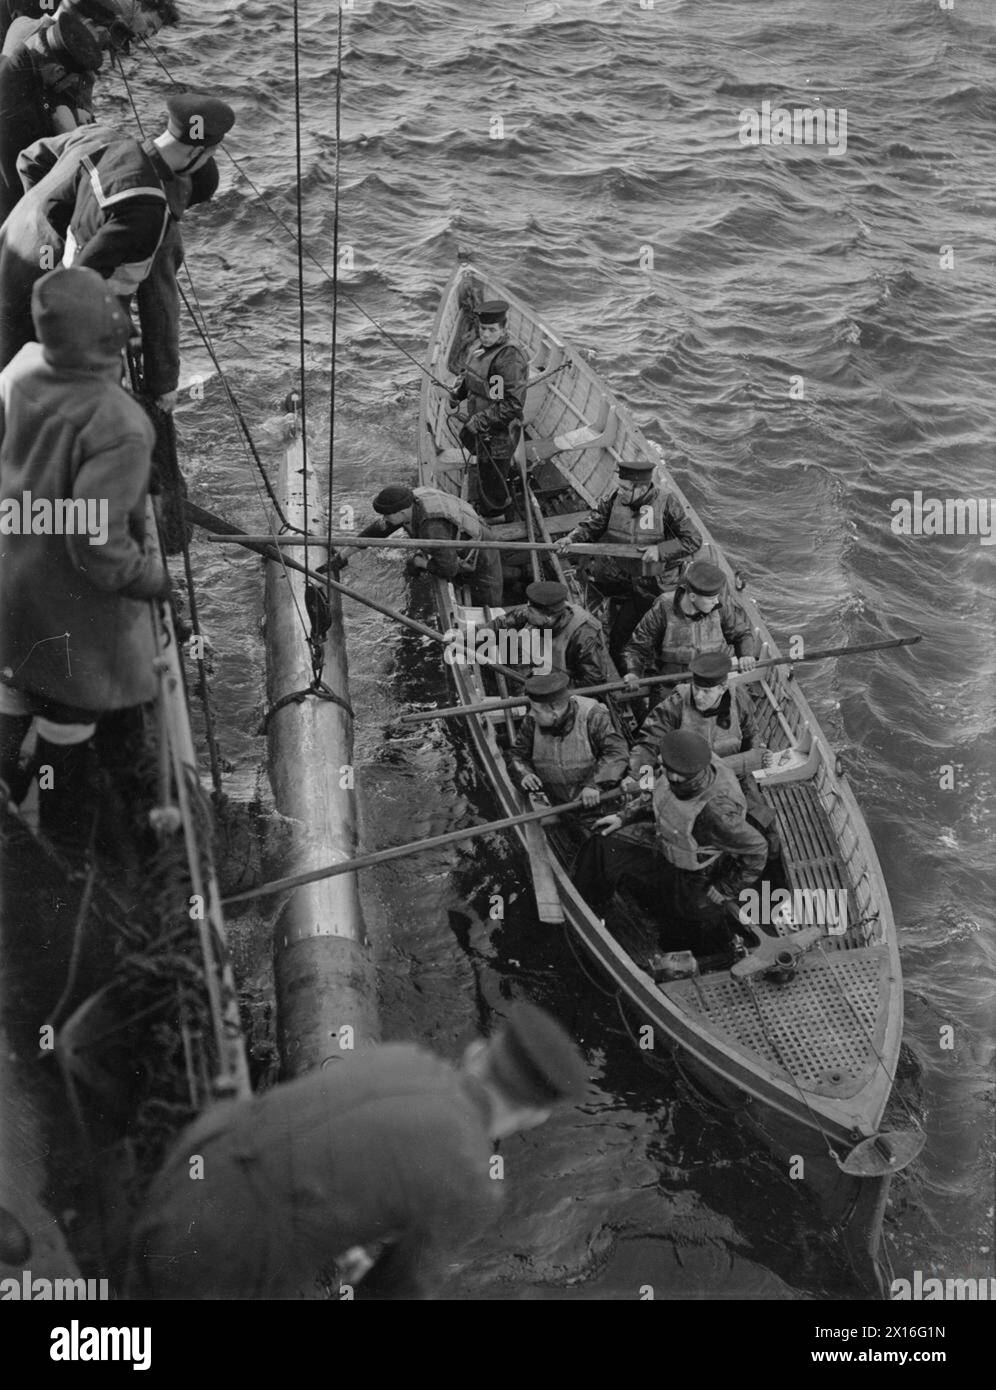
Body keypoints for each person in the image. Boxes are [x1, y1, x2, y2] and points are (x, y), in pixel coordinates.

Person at [126, 1002, 589, 1300]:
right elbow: (396, 1292)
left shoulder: (406, 1058)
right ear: (534, 1116)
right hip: (222, 1255)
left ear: (477, 1052)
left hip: (190, 1164)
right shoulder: (473, 1185)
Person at [0, 267, 166, 846]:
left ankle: (8, 781)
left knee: (11, 687)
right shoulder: (119, 423)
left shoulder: (19, 367)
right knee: (65, 722)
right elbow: (98, 544)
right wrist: (149, 577)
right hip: (67, 610)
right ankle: (53, 830)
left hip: (10, 572)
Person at [0, 90, 235, 368]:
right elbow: (158, 310)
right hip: (38, 298)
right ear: (197, 151)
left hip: (9, 246)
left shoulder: (100, 136)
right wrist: (161, 385)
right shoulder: (149, 211)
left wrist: (44, 228)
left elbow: (30, 159)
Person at [574, 730, 768, 937]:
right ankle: (591, 909)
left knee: (694, 918)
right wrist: (624, 816)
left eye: (677, 774)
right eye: (668, 768)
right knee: (602, 845)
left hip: (697, 867)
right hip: (663, 836)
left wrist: (726, 888)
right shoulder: (674, 767)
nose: (670, 775)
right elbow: (655, 792)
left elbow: (757, 849)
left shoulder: (717, 812)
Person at [554, 458, 702, 665]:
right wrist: (572, 538)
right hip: (622, 573)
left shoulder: (667, 503)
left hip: (654, 582)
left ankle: (643, 655)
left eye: (625, 488)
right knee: (593, 583)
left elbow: (693, 540)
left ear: (641, 488)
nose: (620, 492)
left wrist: (660, 550)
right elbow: (594, 522)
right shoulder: (616, 497)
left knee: (626, 632)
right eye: (620, 486)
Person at [0, 6, 104, 222]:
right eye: (71, 80)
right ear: (58, 71)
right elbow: (21, 185)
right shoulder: (19, 112)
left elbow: (47, 90)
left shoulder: (25, 53)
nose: (71, 85)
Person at [621, 558, 758, 705]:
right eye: (711, 598)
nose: (716, 602)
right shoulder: (663, 608)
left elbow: (742, 634)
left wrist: (745, 655)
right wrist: (633, 672)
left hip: (712, 683)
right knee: (659, 721)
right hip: (671, 684)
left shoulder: (719, 607)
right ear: (692, 597)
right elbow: (636, 648)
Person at [358, 483, 503, 607]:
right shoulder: (411, 500)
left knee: (488, 604)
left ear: (402, 512)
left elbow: (449, 570)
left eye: (387, 515)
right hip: (460, 541)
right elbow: (378, 529)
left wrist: (421, 562)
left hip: (483, 553)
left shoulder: (432, 529)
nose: (384, 519)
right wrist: (343, 554)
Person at [448, 298, 529, 517]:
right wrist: (459, 393)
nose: (485, 334)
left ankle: (497, 513)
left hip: (500, 430)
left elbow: (513, 404)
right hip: (483, 424)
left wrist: (481, 420)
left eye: (491, 330)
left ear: (503, 329)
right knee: (487, 469)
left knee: (492, 476)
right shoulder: (479, 348)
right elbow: (470, 376)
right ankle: (497, 495)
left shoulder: (510, 358)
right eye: (482, 329)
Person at [508, 669, 628, 813]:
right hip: (558, 805)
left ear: (554, 712)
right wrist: (523, 773)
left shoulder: (593, 715)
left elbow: (617, 753)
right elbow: (517, 755)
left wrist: (594, 784)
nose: (531, 714)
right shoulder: (532, 721)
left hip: (600, 804)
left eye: (537, 711)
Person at [483, 579, 611, 690]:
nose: (525, 612)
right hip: (541, 667)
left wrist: (546, 687)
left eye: (530, 610)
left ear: (548, 618)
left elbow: (593, 683)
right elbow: (501, 625)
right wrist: (465, 638)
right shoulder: (540, 612)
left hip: (562, 686)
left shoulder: (584, 636)